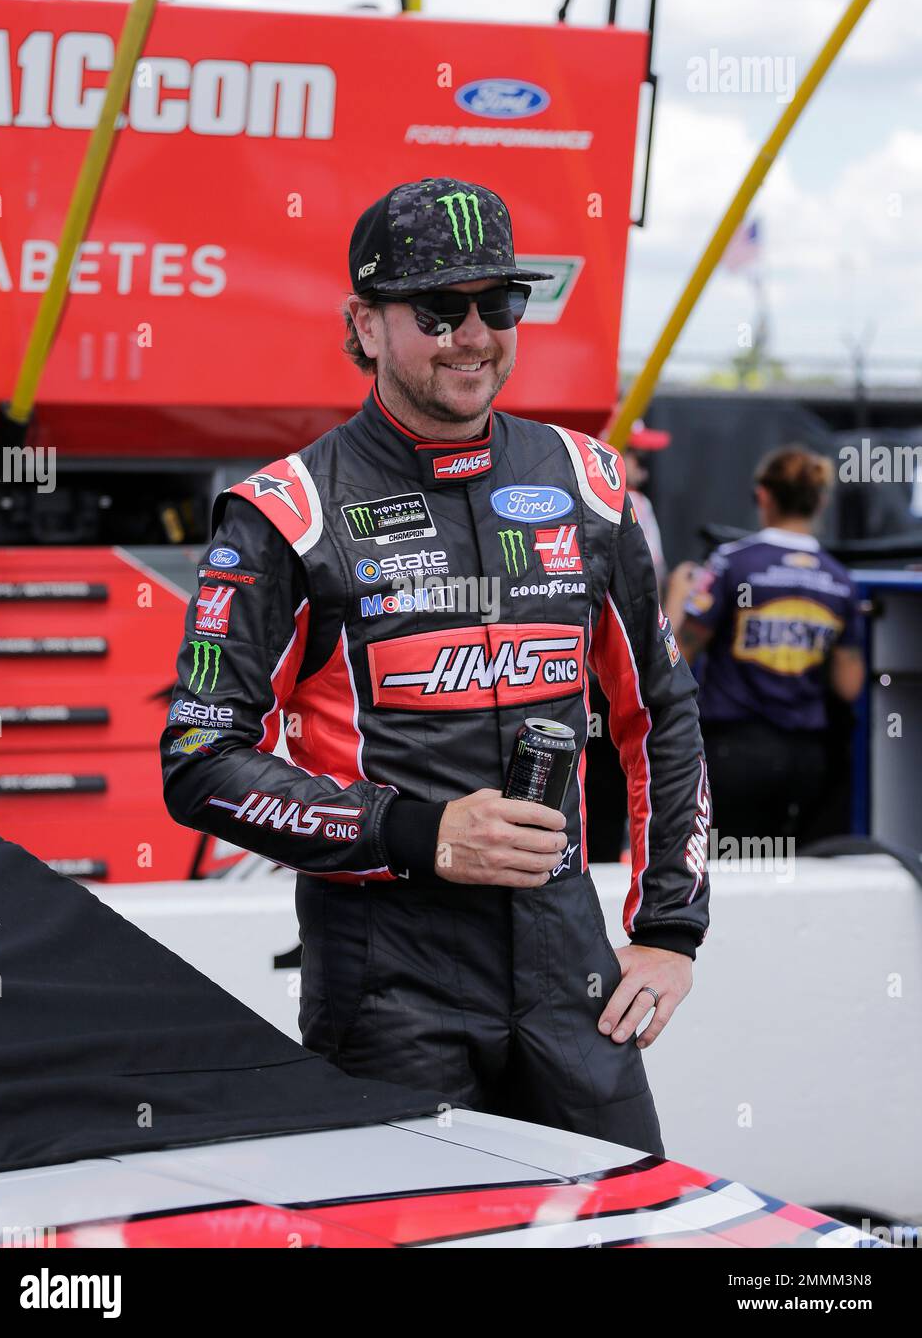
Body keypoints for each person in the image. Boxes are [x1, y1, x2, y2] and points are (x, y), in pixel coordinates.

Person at [160, 176, 710, 1155]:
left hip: (566, 960)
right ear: (364, 325)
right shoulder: (283, 511)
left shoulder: (586, 484)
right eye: (438, 309)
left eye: (497, 304)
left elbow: (660, 712)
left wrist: (669, 926)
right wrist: (416, 832)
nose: (473, 334)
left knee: (628, 1227)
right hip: (385, 972)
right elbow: (199, 758)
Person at [668, 445, 864, 842]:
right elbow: (850, 686)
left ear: (763, 496)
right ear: (820, 501)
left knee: (731, 877)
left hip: (735, 754)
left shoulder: (730, 563)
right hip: (808, 760)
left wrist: (676, 597)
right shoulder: (840, 580)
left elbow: (679, 656)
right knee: (797, 878)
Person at [585, 419, 671, 861]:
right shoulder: (627, 501)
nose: (641, 466)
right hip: (612, 669)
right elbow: (648, 592)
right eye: (634, 454)